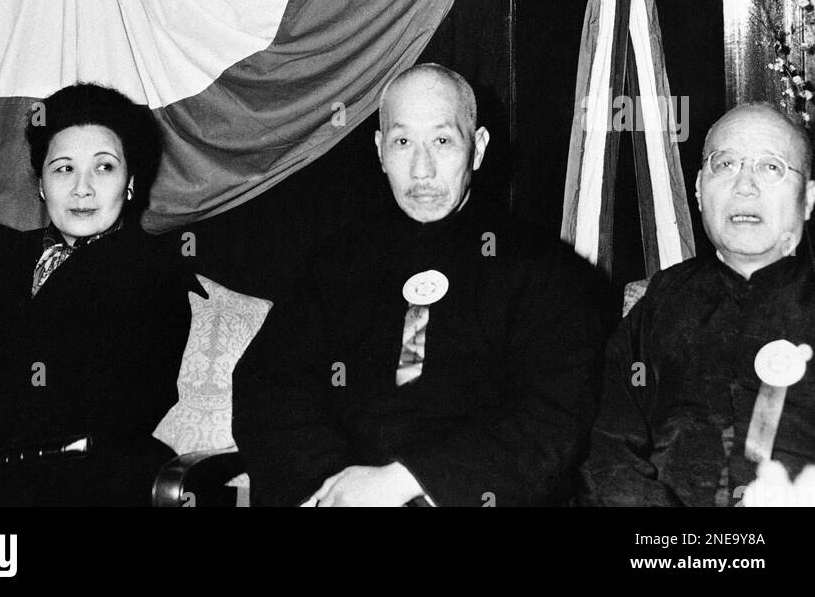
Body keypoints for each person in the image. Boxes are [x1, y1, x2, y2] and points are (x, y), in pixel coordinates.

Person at [232, 63, 606, 506]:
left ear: (478, 148)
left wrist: (411, 480)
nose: (422, 169)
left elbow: (551, 419)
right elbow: (269, 387)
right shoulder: (336, 262)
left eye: (442, 141)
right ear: (380, 150)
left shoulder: (546, 270)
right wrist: (333, 484)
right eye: (403, 141)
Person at [0, 84, 197, 507]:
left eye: (104, 167)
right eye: (64, 169)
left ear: (130, 183)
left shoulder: (156, 276)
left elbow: (121, 412)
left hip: (82, 487)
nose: (82, 189)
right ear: (42, 185)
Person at [581, 103, 815, 508]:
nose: (745, 186)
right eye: (725, 165)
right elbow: (605, 441)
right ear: (697, 190)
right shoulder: (665, 298)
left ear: (808, 198)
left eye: (771, 167)